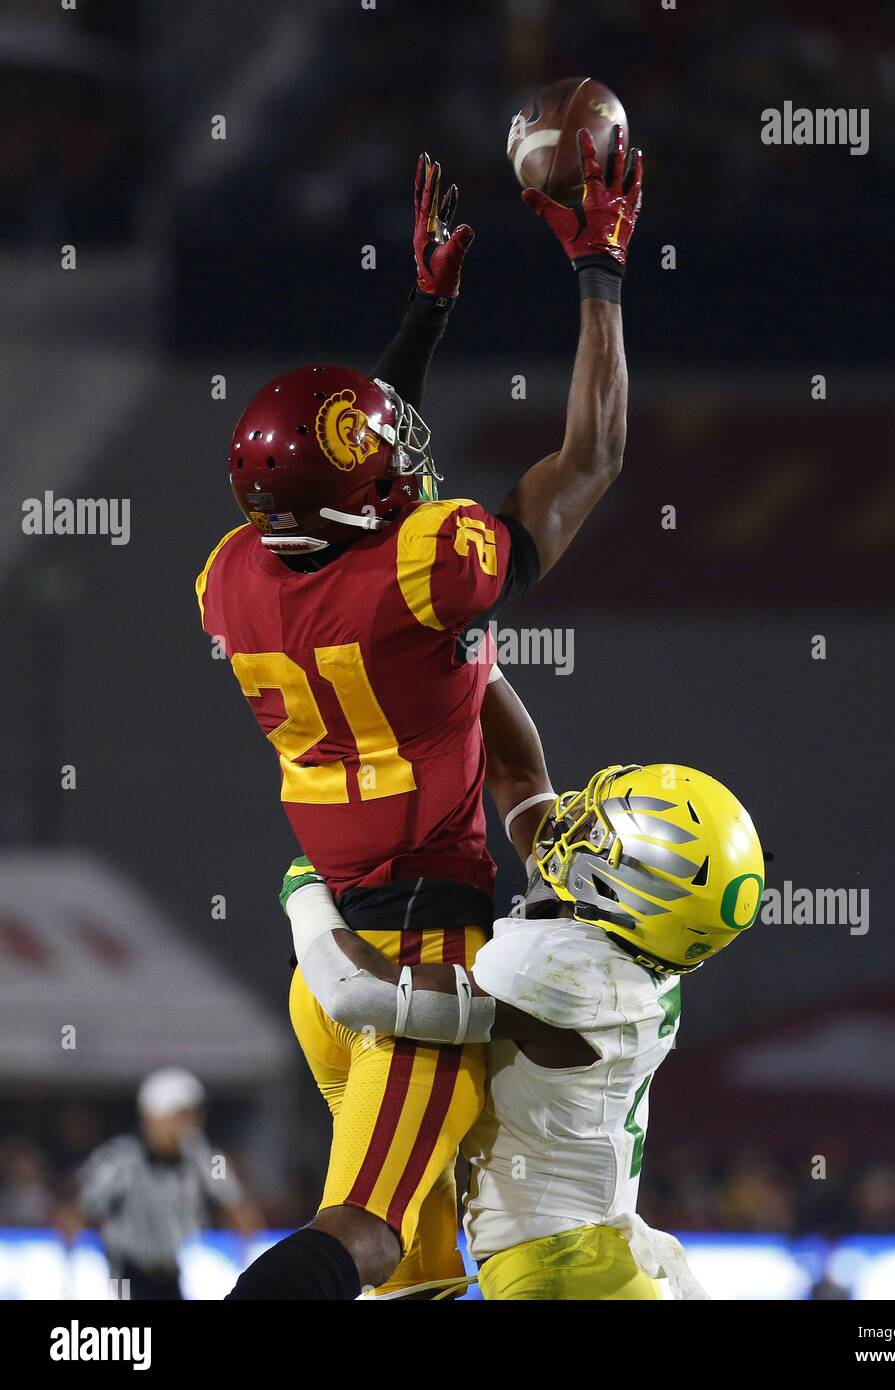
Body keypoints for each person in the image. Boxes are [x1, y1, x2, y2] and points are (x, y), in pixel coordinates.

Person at [202, 131, 643, 1301]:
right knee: (371, 1233)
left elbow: (343, 476)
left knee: (422, 1280)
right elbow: (590, 457)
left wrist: (423, 316)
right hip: (418, 951)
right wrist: (598, 269)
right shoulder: (428, 568)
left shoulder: (231, 574)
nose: (406, 462)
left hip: (329, 944)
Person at [282, 761, 765, 1300]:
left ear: (625, 880)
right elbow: (522, 779)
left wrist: (305, 894)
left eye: (597, 831)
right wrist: (478, 680)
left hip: (563, 1273)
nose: (571, 823)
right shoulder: (633, 948)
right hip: (587, 1262)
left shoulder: (567, 978)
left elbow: (359, 993)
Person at [77, 1068, 256, 1300]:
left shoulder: (203, 1157)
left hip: (173, 1272)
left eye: (192, 1116)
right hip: (125, 1273)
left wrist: (250, 1263)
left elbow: (238, 1208)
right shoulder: (120, 1160)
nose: (188, 1126)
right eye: (180, 1117)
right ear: (153, 1117)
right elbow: (77, 1211)